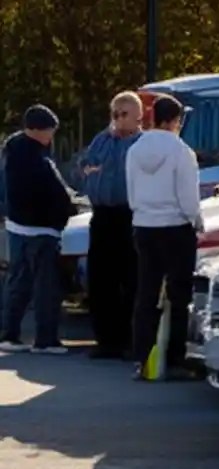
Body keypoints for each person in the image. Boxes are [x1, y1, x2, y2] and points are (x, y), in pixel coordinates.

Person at [127, 94, 203, 380]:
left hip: (144, 224)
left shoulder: (135, 150)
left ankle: (142, 357)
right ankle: (174, 358)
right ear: (175, 121)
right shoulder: (181, 151)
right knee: (178, 294)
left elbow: (132, 191)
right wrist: (195, 219)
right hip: (175, 226)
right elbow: (188, 197)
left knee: (146, 291)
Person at [0, 105, 77, 354]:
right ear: (36, 130)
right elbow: (53, 190)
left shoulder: (13, 151)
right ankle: (45, 340)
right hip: (41, 229)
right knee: (46, 288)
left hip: (17, 226)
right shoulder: (36, 158)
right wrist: (68, 209)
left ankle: (9, 334)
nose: (51, 136)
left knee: (18, 283)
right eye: (49, 131)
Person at [82, 91, 144, 359]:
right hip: (103, 216)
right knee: (101, 280)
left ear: (139, 116)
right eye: (114, 114)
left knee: (132, 279)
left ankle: (130, 341)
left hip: (130, 216)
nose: (118, 119)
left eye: (124, 114)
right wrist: (87, 172)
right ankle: (106, 341)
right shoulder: (101, 141)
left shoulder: (143, 144)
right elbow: (84, 165)